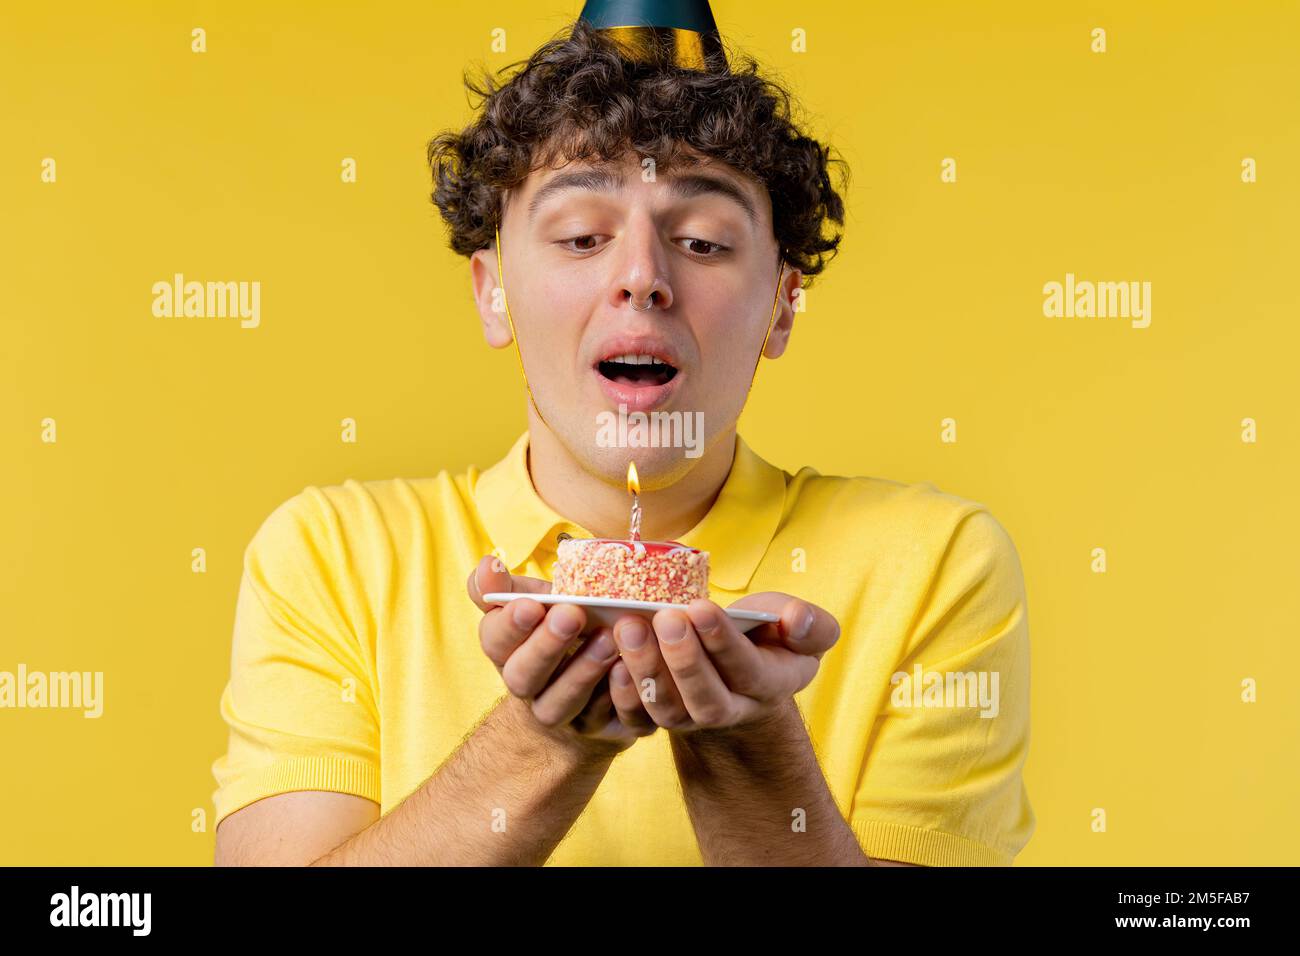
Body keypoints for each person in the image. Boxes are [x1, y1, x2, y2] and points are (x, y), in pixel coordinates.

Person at [211, 6, 1034, 867]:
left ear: (783, 306)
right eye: (581, 237)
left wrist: (746, 745)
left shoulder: (936, 562)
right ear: (493, 294)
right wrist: (546, 740)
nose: (642, 277)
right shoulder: (331, 555)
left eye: (703, 241)